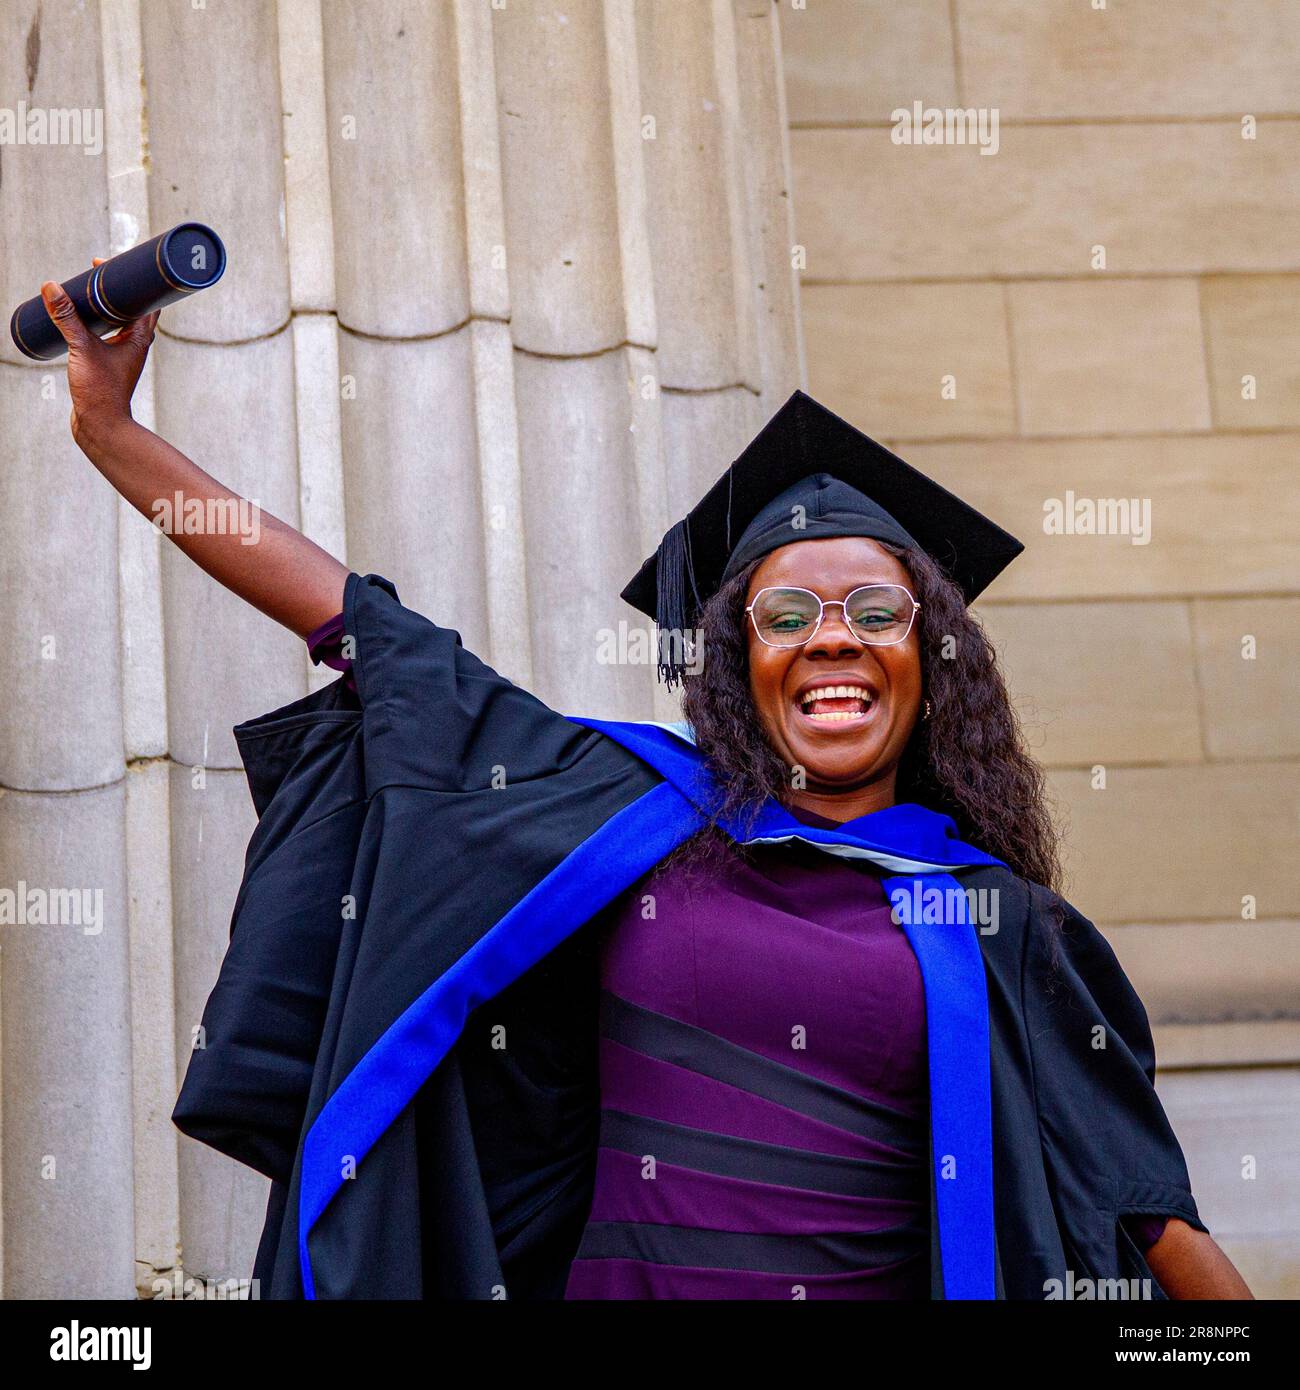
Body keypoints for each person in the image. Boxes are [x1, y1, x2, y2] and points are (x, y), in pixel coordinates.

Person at [37, 273, 1253, 1301]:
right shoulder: (631, 819)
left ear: (930, 662)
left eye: (876, 610)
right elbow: (365, 630)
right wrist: (113, 435)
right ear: (740, 662)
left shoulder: (1004, 928)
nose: (832, 637)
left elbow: (1145, 1217)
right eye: (786, 614)